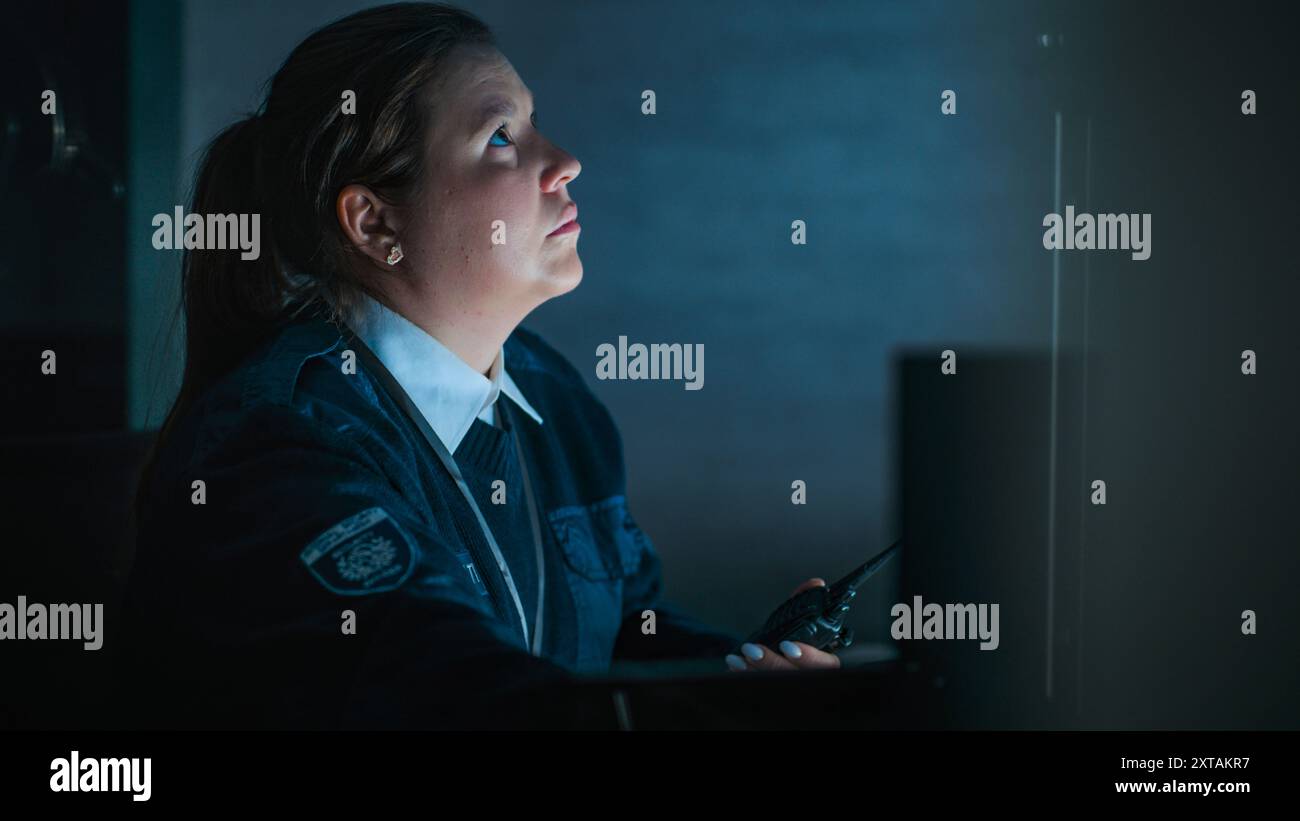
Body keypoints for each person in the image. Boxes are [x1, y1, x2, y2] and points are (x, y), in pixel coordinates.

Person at [122, 2, 839, 730]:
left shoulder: (555, 398)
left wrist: (743, 681)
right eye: (501, 137)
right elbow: (441, 689)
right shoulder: (280, 440)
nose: (564, 162)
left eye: (530, 124)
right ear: (374, 222)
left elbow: (624, 627)